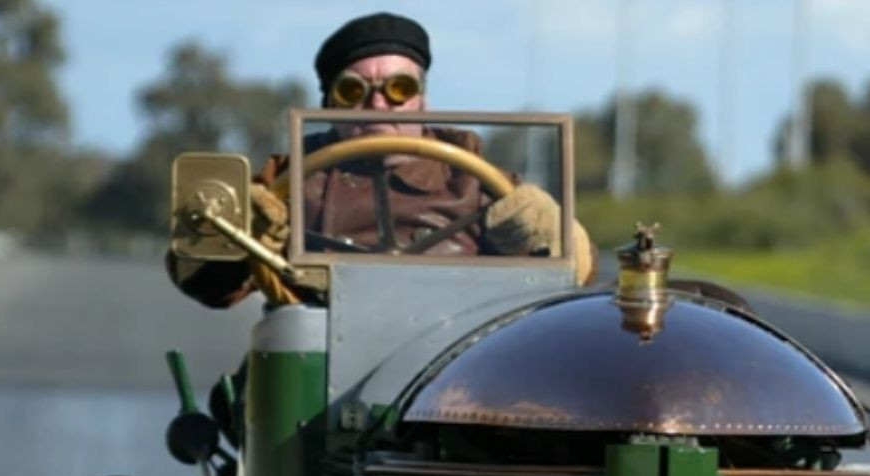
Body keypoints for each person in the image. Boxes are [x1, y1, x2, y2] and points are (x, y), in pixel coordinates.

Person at [169, 12, 589, 308]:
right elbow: (206, 288)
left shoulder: (477, 179)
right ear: (329, 103)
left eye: (399, 88)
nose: (378, 103)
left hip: (450, 372)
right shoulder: (288, 180)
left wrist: (548, 234)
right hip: (319, 364)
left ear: (423, 99)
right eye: (354, 91)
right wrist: (243, 241)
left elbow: (576, 276)